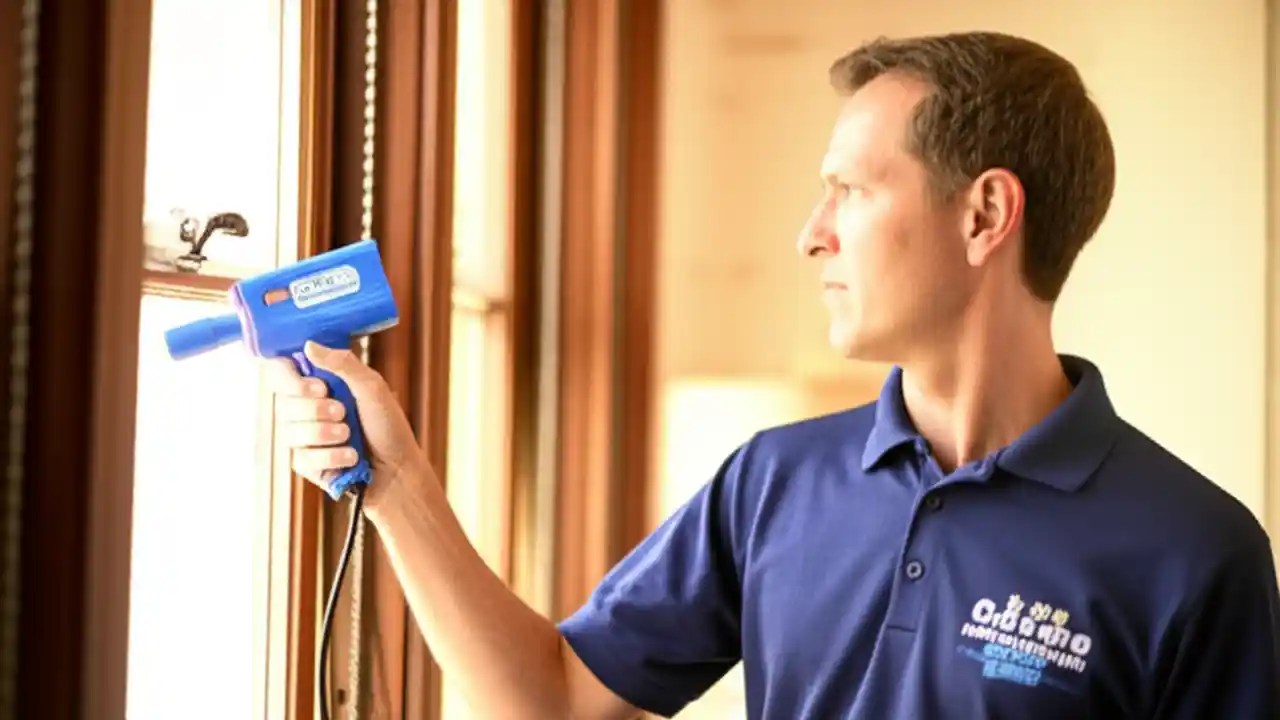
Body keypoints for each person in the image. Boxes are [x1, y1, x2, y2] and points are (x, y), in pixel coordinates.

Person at [268, 31, 1280, 719]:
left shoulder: (1194, 552)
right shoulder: (771, 483)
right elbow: (553, 699)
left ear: (982, 215)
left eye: (847, 188)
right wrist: (395, 482)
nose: (811, 233)